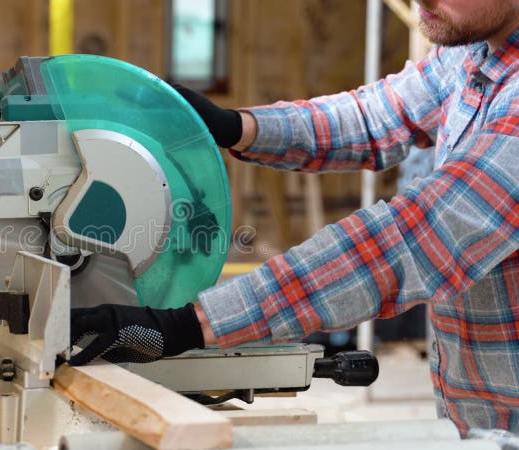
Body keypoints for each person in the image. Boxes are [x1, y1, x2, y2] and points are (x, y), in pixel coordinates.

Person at [69, 0, 519, 436]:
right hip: (478, 414)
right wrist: (236, 126)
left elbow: (409, 241)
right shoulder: (473, 51)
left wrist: (192, 324)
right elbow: (374, 115)